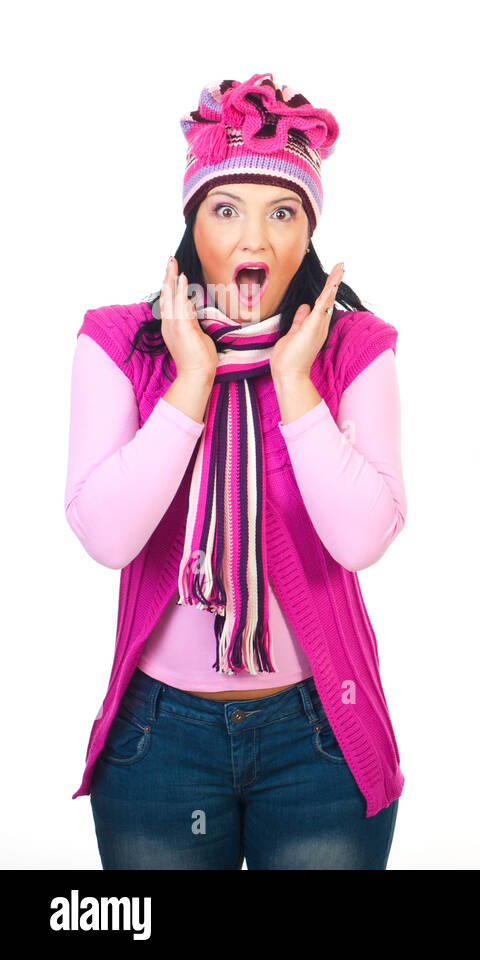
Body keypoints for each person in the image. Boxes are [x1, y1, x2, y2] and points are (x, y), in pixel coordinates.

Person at [66, 73, 405, 868]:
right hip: (160, 741)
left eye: (282, 212)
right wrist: (190, 383)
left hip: (318, 731)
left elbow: (360, 539)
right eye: (227, 210)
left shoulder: (354, 348)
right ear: (192, 224)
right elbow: (108, 536)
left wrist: (294, 383)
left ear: (308, 231)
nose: (254, 241)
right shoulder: (120, 343)